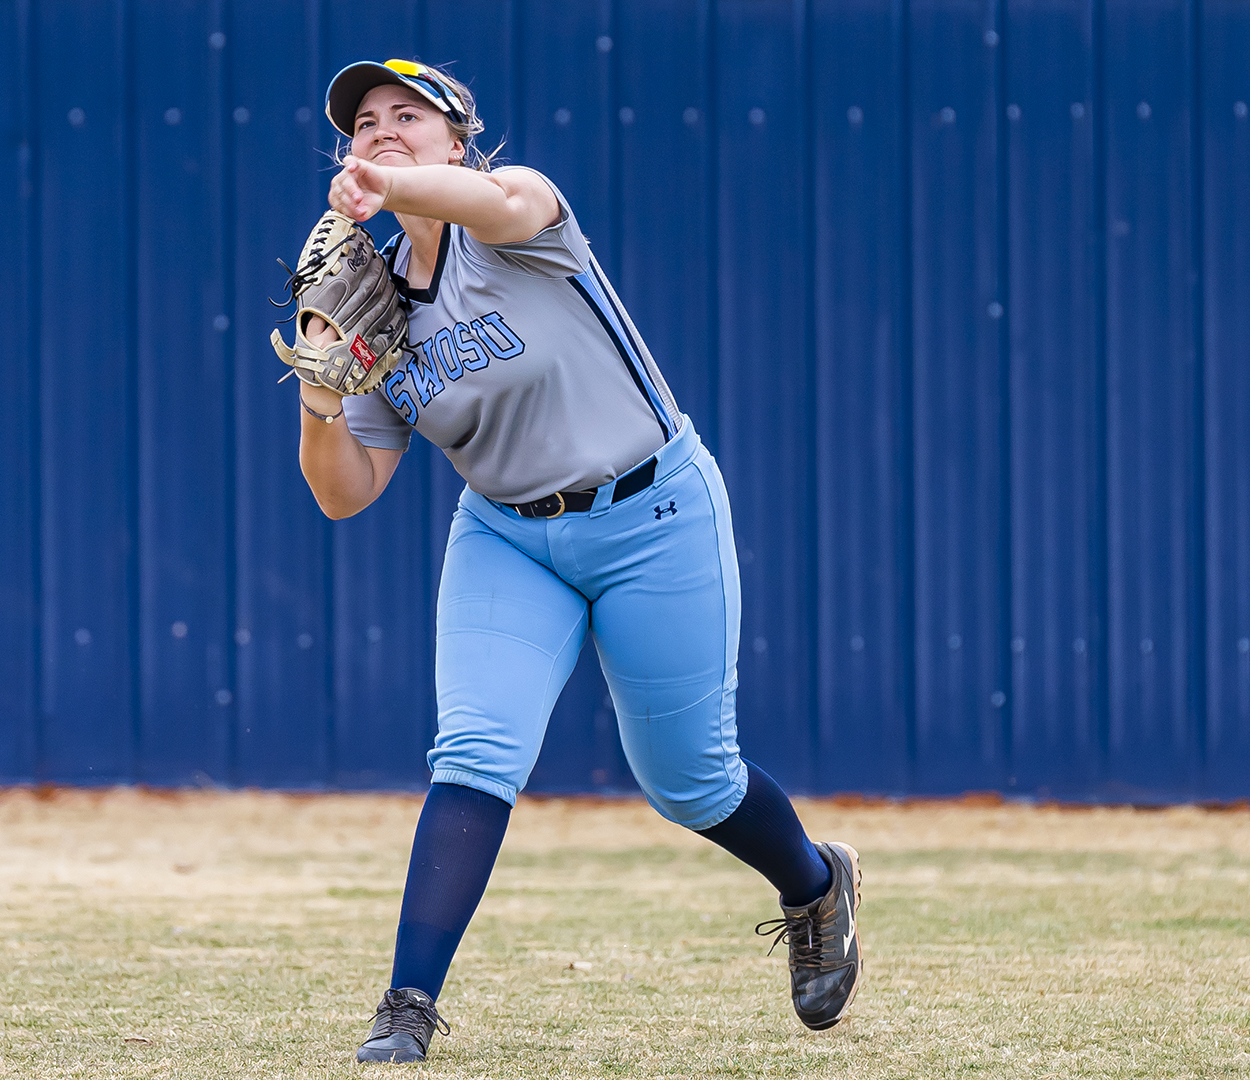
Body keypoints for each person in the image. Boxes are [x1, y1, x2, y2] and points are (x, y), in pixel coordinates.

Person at [290, 59, 861, 1064]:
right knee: (474, 751)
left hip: (654, 511)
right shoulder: (369, 300)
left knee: (689, 781)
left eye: (405, 116)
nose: (379, 129)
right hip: (509, 534)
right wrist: (320, 389)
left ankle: (814, 884)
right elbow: (345, 492)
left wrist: (390, 189)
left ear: (457, 141)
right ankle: (406, 1010)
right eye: (361, 122)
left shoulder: (520, 211)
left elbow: (488, 200)